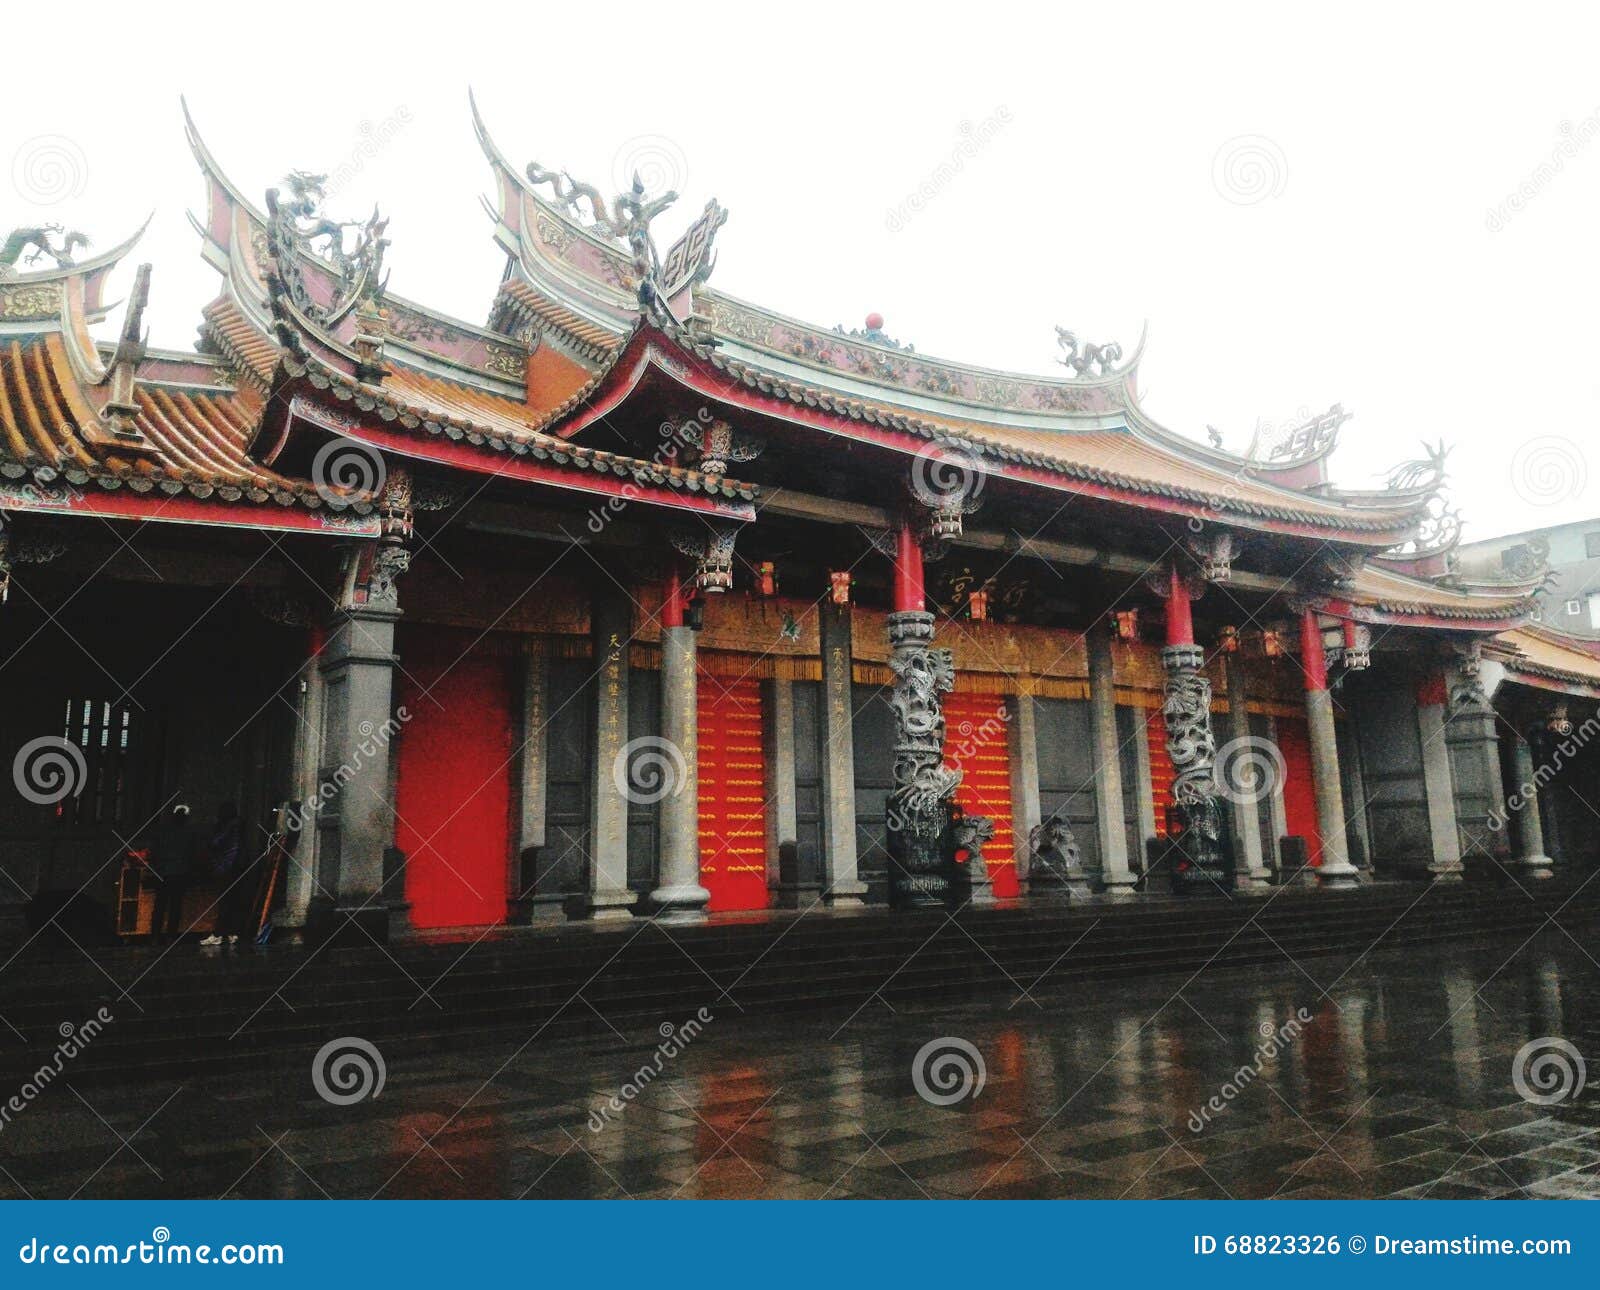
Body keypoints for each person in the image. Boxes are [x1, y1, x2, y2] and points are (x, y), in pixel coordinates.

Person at [146, 803, 198, 943]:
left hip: (163, 873)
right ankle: (171, 936)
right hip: (180, 873)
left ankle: (155, 935)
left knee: (160, 906)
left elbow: (154, 852)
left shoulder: (163, 832)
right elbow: (192, 854)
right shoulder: (188, 833)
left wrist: (156, 866)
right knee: (175, 906)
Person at [200, 803, 248, 948]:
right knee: (234, 901)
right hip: (237, 867)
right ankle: (232, 932)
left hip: (227, 867)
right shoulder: (239, 827)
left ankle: (219, 934)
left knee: (224, 901)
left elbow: (216, 843)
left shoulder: (229, 827)